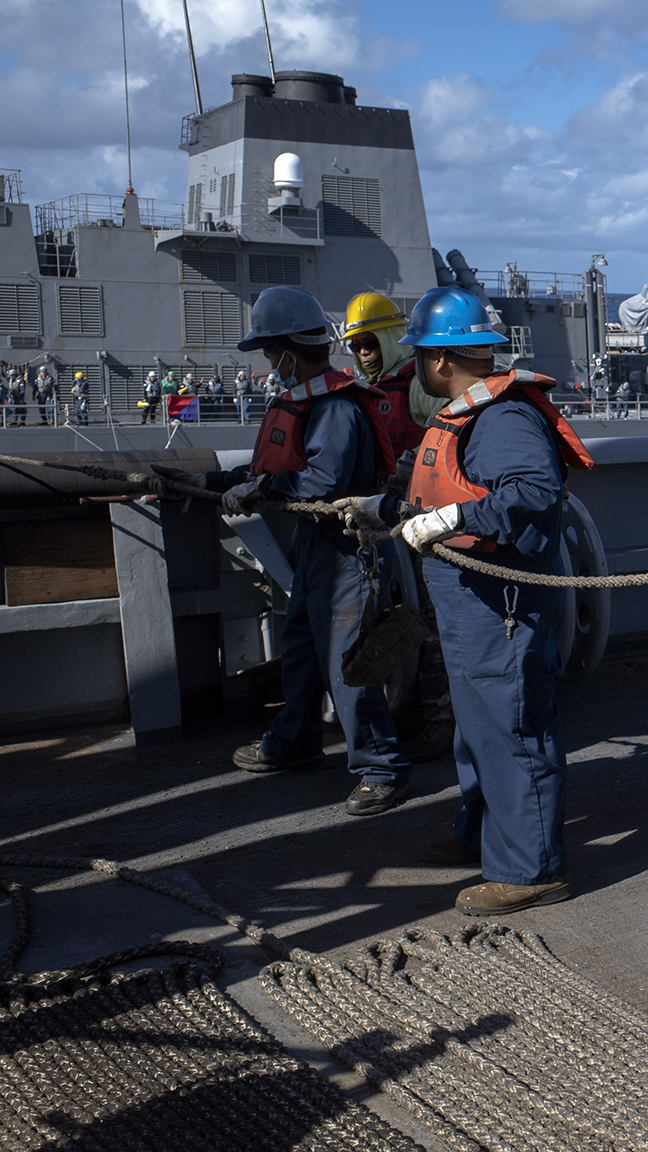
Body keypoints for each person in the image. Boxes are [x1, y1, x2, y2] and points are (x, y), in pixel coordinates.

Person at [346, 286, 594, 917]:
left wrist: (450, 516)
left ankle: (530, 867)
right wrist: (387, 510)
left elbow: (532, 491)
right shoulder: (468, 411)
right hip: (470, 605)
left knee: (512, 726)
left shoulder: (503, 417)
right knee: (478, 726)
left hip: (500, 602)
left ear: (438, 360)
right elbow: (445, 492)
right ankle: (484, 837)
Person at [205, 286, 411, 817]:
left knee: (347, 661)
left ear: (289, 353)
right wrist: (211, 481)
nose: (272, 365)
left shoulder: (337, 407)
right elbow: (275, 472)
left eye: (272, 355)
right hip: (320, 550)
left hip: (350, 550)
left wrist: (263, 491)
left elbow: (322, 481)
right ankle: (295, 739)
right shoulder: (313, 400)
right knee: (301, 644)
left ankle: (381, 767)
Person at [342, 290, 455, 763]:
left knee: (430, 628)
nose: (364, 352)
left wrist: (399, 479)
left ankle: (441, 721)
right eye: (357, 345)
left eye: (370, 343)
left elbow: (442, 438)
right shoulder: (363, 391)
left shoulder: (418, 385)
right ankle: (416, 712)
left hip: (423, 527)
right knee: (399, 621)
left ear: (390, 338)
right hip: (384, 525)